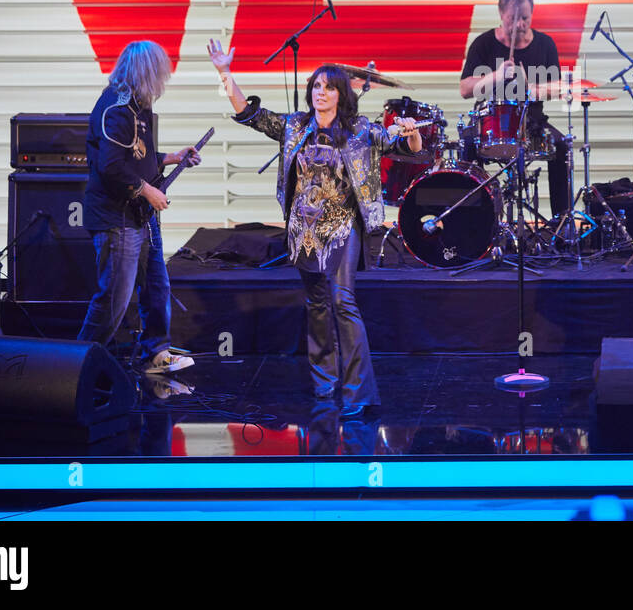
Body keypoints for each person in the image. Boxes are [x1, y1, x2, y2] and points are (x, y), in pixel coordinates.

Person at [208, 39, 421, 413]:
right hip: (304, 229)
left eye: (329, 87)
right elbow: (249, 114)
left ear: (341, 94)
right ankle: (325, 382)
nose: (320, 92)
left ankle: (359, 394)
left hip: (343, 226)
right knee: (318, 304)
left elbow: (404, 147)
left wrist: (410, 131)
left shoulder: (359, 130)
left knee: (343, 302)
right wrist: (225, 72)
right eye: (316, 86)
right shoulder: (294, 127)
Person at [80, 40, 200, 374]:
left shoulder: (138, 107)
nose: (164, 80)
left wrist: (173, 158)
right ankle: (76, 364)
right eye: (160, 72)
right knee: (114, 299)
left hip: (140, 217)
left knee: (157, 287)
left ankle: (157, 355)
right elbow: (111, 166)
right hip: (116, 218)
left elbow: (138, 158)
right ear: (147, 72)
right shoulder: (117, 109)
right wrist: (147, 190)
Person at [459, 0, 570, 219]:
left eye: (525, 18)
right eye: (512, 19)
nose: (519, 24)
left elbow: (558, 88)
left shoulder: (545, 44)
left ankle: (561, 222)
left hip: (532, 123)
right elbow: (465, 89)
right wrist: (496, 76)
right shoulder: (484, 43)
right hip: (491, 123)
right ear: (501, 15)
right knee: (467, 145)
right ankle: (469, 221)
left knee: (561, 146)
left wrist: (530, 88)